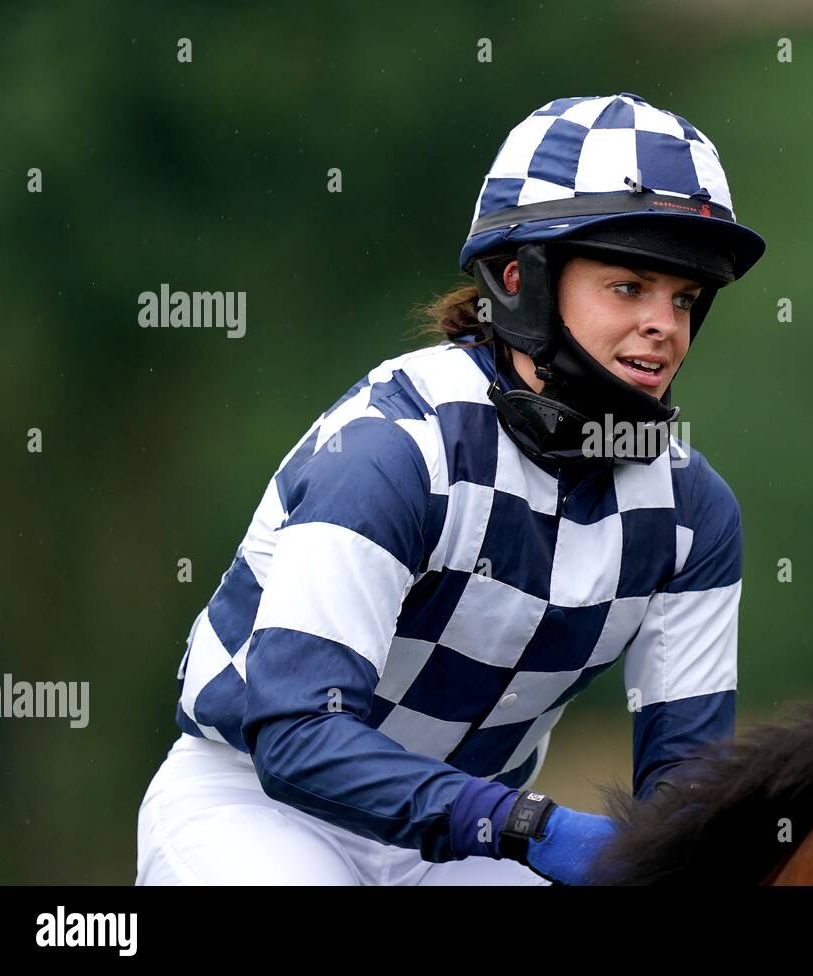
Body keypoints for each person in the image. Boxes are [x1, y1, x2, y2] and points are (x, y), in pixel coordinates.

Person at [134, 91, 767, 885]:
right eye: (629, 287)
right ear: (518, 279)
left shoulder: (695, 514)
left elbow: (687, 790)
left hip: (463, 840)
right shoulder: (391, 448)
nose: (665, 326)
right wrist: (530, 825)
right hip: (257, 806)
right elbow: (296, 735)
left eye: (684, 298)